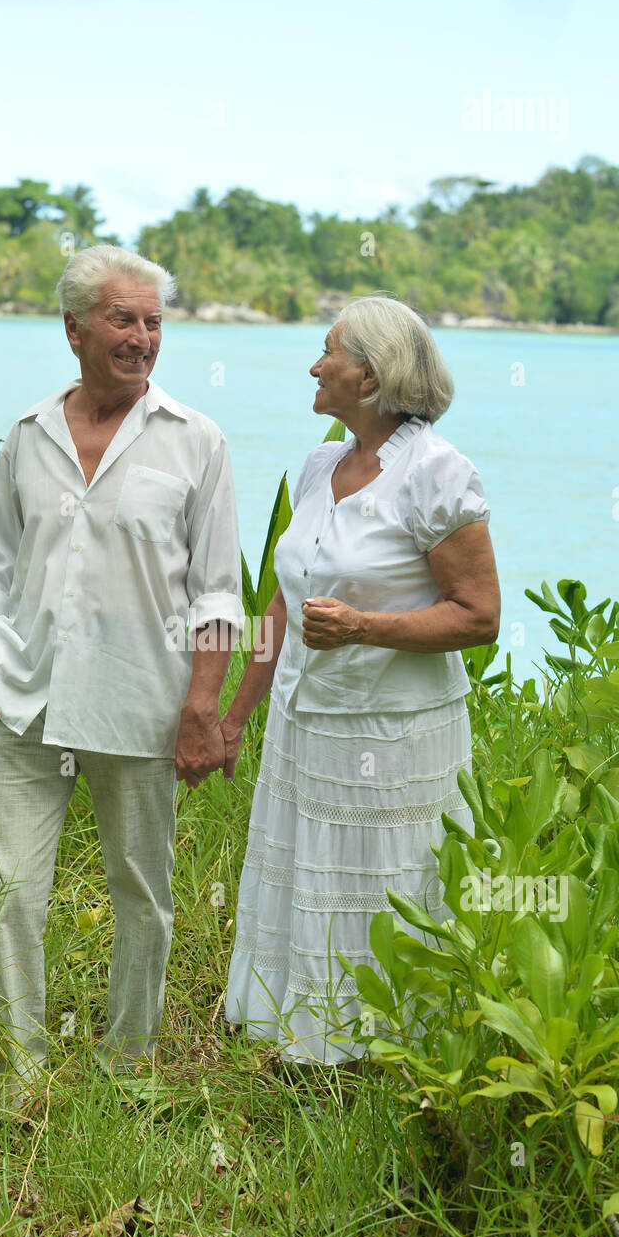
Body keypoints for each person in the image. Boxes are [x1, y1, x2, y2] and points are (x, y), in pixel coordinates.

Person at [0, 245, 244, 1103]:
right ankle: (22, 1073)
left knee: (142, 891)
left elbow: (217, 595)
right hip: (29, 697)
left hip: (140, 702)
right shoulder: (28, 434)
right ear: (74, 329)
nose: (141, 338)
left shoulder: (196, 442)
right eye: (122, 319)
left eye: (153, 321)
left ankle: (129, 1067)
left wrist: (203, 707)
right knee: (9, 887)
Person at [221, 294, 500, 1064]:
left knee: (385, 884)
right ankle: (297, 1033)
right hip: (305, 723)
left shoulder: (436, 471)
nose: (315, 365)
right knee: (306, 875)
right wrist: (236, 716)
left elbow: (478, 616)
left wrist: (362, 628)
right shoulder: (320, 464)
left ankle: (384, 1052)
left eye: (328, 352)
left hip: (394, 734)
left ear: (370, 375)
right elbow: (282, 602)